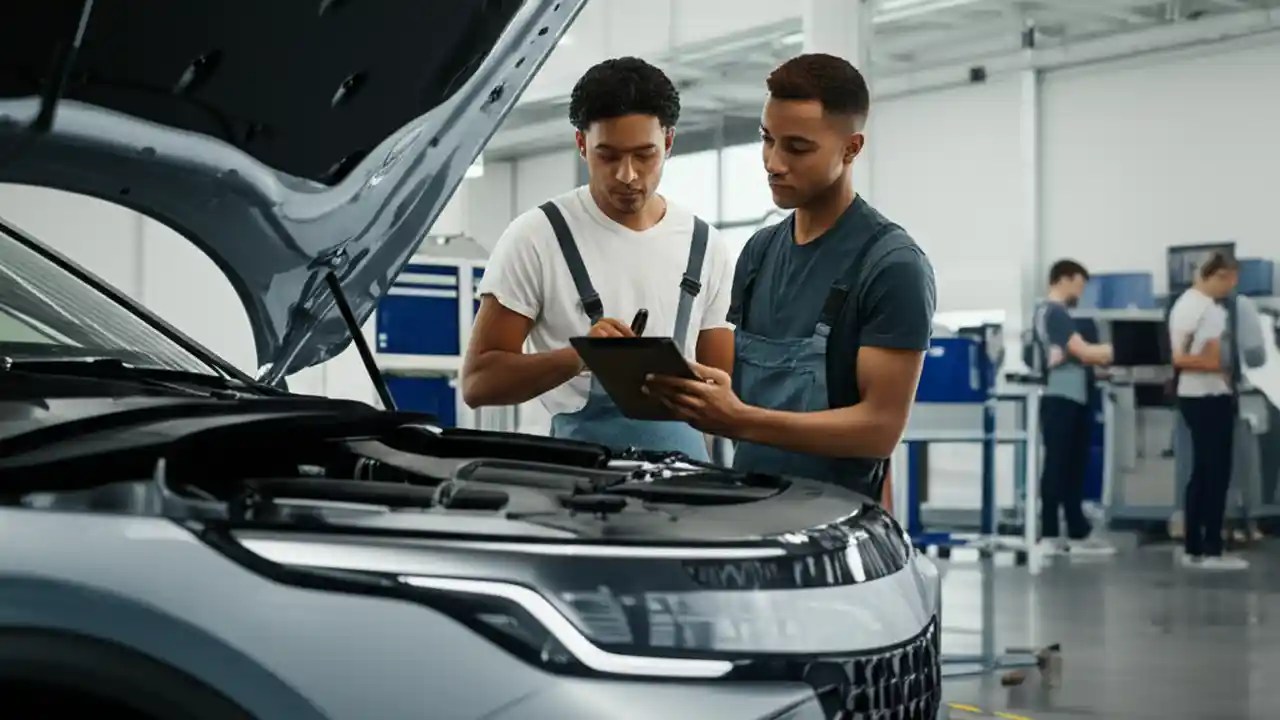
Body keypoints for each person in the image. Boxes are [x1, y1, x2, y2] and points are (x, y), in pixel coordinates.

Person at [644, 53, 935, 499]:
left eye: (797, 147)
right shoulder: (759, 252)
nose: (773, 162)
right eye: (766, 139)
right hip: (750, 509)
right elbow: (741, 388)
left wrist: (739, 419)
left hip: (834, 530)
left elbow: (879, 429)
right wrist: (660, 374)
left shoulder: (891, 266)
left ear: (851, 148)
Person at [461, 57, 735, 462]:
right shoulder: (537, 236)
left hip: (685, 486)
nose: (627, 175)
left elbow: (724, 396)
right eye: (608, 156)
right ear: (581, 144)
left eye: (645, 155)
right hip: (570, 484)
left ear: (669, 142)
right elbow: (478, 383)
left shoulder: (705, 245)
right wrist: (581, 357)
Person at [1031, 259, 1116, 557]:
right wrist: (1122, 349)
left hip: (1076, 396)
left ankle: (1077, 531)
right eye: (1079, 284)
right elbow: (1082, 351)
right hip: (1060, 397)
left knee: (1074, 466)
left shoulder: (1057, 313)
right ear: (1063, 280)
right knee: (1058, 465)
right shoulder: (1054, 313)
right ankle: (1051, 533)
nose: (1081, 291)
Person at [1168, 252, 1244, 570]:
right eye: (1228, 281)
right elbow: (1181, 358)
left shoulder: (1196, 306)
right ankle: (1208, 548)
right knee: (1211, 472)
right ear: (1217, 275)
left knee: (1208, 471)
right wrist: (1217, 365)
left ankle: (1200, 546)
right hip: (1205, 397)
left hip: (1205, 395)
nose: (1229, 288)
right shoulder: (1201, 308)